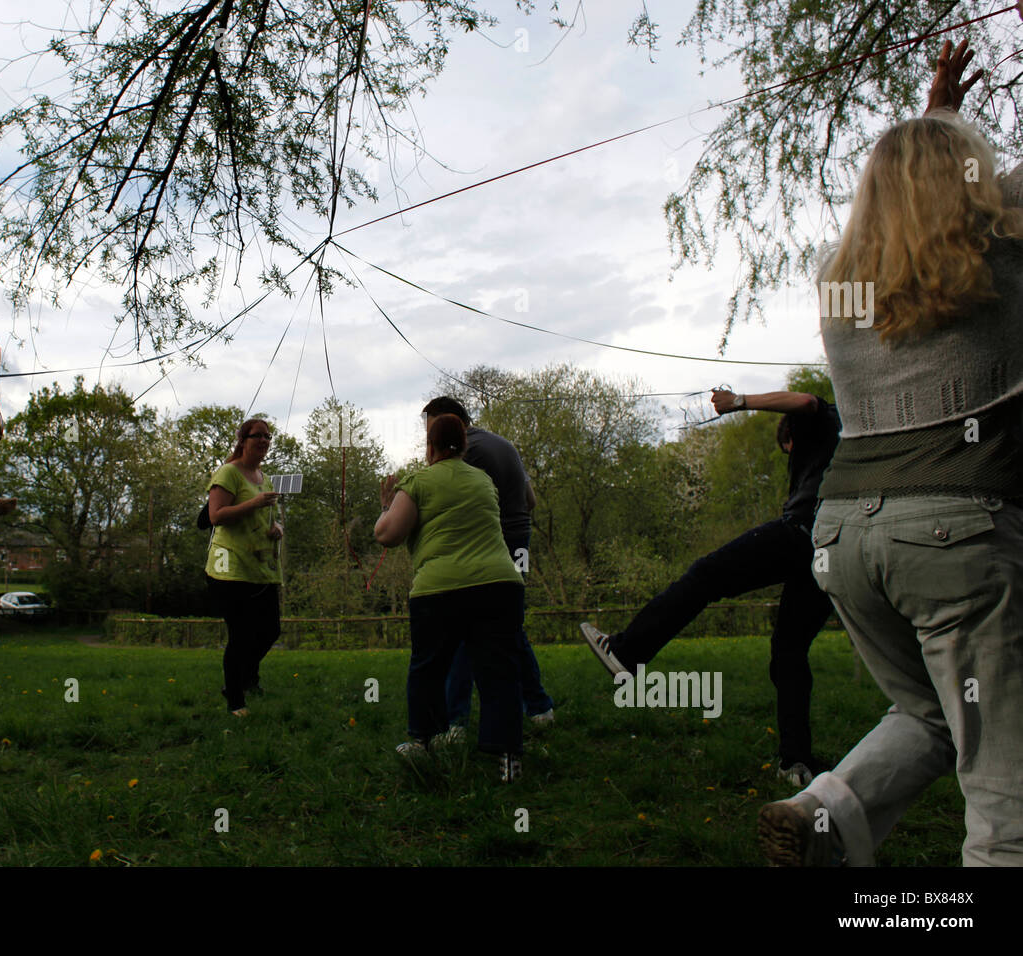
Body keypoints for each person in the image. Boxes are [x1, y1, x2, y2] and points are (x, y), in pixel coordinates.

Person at [759, 40, 1023, 867]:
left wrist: (930, 117)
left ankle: (824, 815)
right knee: (1008, 784)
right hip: (955, 531)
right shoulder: (999, 255)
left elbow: (908, 209)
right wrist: (947, 126)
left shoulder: (841, 287)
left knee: (930, 714)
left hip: (843, 536)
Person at [584, 387, 840, 785]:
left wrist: (739, 402)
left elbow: (805, 402)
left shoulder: (819, 419)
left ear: (790, 438)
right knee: (789, 651)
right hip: (835, 550)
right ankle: (797, 762)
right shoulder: (853, 432)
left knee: (706, 575)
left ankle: (627, 651)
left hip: (803, 532)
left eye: (787, 449)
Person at [375, 413, 526, 782]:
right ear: (465, 444)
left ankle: (424, 742)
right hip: (500, 584)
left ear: (430, 446)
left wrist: (386, 504)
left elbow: (388, 535)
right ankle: (507, 756)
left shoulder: (419, 482)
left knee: (428, 667)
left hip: (440, 589)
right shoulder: (484, 481)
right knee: (500, 670)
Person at [420, 397, 554, 735]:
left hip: (491, 543)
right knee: (510, 624)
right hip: (519, 539)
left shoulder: (469, 451)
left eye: (431, 430)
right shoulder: (503, 443)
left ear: (448, 423)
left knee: (467, 626)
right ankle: (539, 707)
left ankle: (455, 720)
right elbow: (531, 500)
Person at [205, 418, 284, 716]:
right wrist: (255, 504)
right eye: (257, 436)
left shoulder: (264, 477)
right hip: (230, 567)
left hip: (260, 567)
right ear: (243, 440)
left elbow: (267, 517)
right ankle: (236, 701)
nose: (263, 441)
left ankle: (242, 678)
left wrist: (276, 527)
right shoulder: (228, 473)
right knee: (239, 635)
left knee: (270, 631)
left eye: (267, 436)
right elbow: (216, 516)